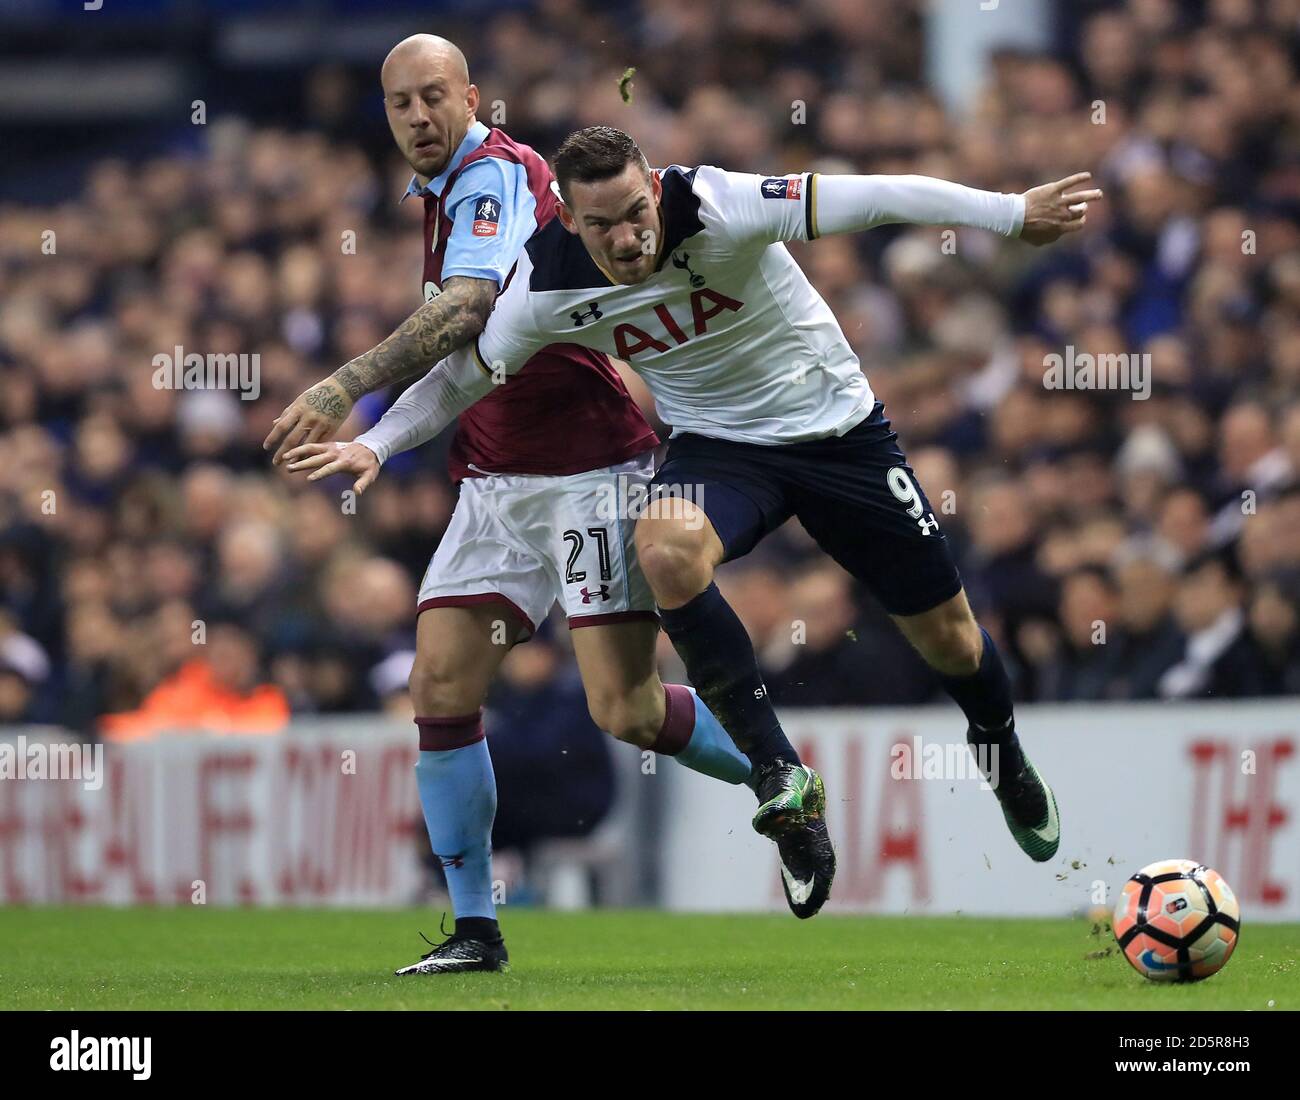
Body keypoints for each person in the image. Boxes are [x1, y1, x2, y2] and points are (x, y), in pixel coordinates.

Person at [300, 126, 1104, 885]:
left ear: (654, 188)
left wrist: (1009, 214)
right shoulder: (544, 285)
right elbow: (466, 375)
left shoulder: (720, 203)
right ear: (569, 221)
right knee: (666, 547)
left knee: (952, 641)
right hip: (720, 448)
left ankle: (999, 746)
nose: (626, 240)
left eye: (636, 214)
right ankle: (781, 774)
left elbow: (876, 195)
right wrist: (376, 441)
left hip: (839, 433)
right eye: (602, 225)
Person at [267, 39, 752, 976]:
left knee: (627, 708)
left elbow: (466, 312)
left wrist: (345, 390)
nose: (416, 116)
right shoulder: (444, 192)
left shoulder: (491, 179)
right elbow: (463, 366)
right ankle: (475, 929)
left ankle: (781, 777)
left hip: (590, 472)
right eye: (399, 103)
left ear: (472, 96)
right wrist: (374, 443)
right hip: (495, 479)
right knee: (440, 686)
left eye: (433, 96)